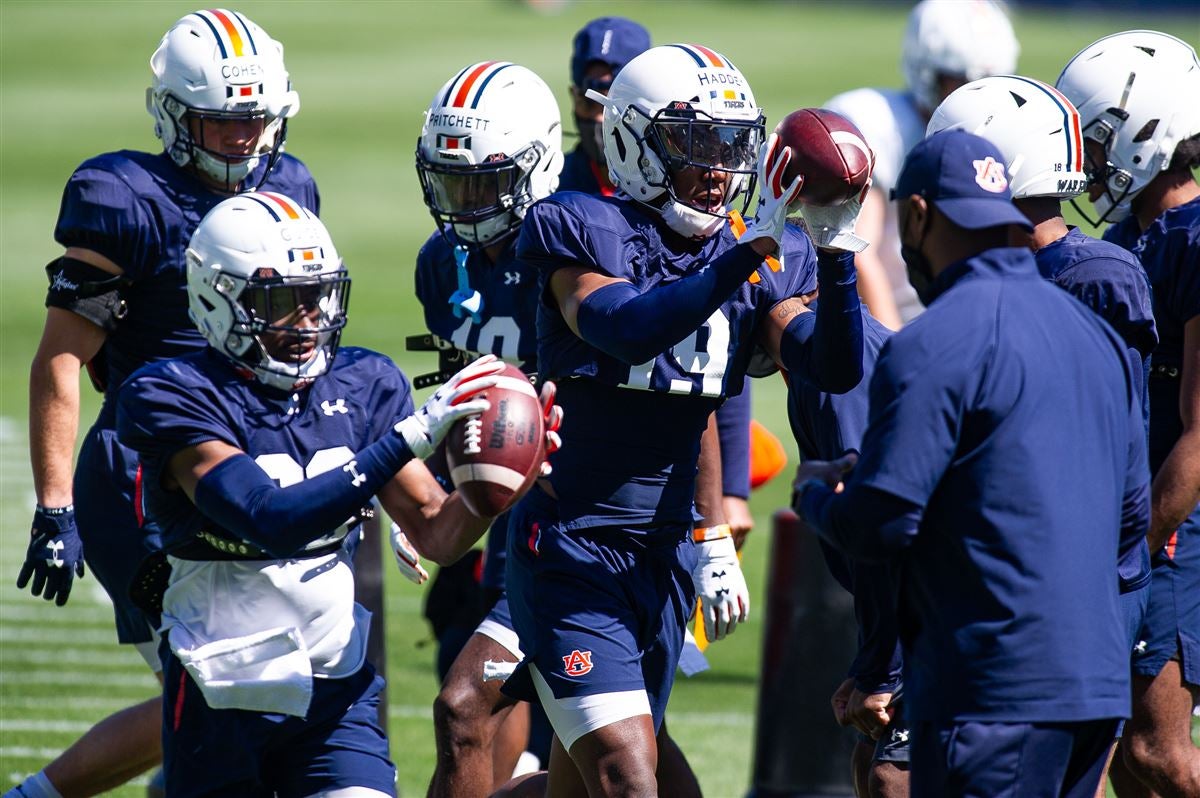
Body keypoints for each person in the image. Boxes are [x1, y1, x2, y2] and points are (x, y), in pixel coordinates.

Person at [503, 43, 868, 796]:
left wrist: (834, 254)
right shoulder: (581, 225)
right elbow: (626, 327)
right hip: (572, 550)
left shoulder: (761, 253)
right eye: (694, 142)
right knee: (630, 778)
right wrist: (742, 258)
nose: (717, 166)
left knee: (581, 782)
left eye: (732, 145)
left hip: (665, 558)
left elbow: (831, 365)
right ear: (634, 139)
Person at [113, 192, 559, 796]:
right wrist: (404, 440)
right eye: (281, 302)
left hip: (337, 690)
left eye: (317, 294)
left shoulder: (362, 381)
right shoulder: (174, 393)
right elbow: (267, 518)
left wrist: (497, 490)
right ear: (217, 298)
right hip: (220, 685)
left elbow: (436, 530)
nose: (308, 318)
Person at [12, 10, 315, 798]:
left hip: (247, 463)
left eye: (255, 119)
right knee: (221, 685)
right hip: (143, 474)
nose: (244, 140)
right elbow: (61, 360)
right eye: (222, 123)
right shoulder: (126, 198)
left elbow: (305, 343)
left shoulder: (292, 186)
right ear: (176, 116)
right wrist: (54, 505)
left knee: (237, 687)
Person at [793, 130, 1150, 798]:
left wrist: (816, 496)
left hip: (992, 685)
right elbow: (1131, 519)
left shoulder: (934, 341)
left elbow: (884, 524)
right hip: (1096, 684)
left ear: (919, 215)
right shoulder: (1096, 335)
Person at [412, 60, 563, 796]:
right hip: (504, 507)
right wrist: (436, 497)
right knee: (484, 707)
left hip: (581, 516)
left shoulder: (576, 249)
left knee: (601, 737)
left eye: (486, 184)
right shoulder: (442, 264)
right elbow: (454, 386)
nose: (467, 205)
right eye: (453, 183)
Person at [1057, 30, 1200, 798]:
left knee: (1153, 749)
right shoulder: (1126, 237)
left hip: (1177, 517)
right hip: (1134, 512)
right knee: (1121, 752)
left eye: (1100, 137)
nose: (1090, 159)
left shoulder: (1197, 238)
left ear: (1151, 127)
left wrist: (1130, 550)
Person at [825, 0, 1018, 329]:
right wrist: (894, 349)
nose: (973, 100)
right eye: (961, 83)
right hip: (879, 327)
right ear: (928, 74)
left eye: (987, 86)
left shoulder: (995, 133)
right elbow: (857, 250)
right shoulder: (880, 123)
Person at [784, 294, 908, 798]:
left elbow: (878, 527)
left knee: (890, 773)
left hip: (951, 608)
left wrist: (884, 669)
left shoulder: (833, 371)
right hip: (945, 600)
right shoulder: (831, 353)